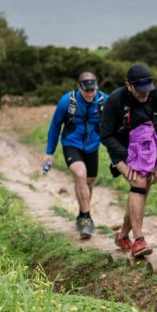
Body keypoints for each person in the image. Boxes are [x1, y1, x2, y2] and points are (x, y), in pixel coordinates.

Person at [100, 64, 157, 258]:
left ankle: (123, 235)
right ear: (128, 85)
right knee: (138, 183)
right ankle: (139, 241)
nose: (144, 95)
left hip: (149, 150)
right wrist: (125, 159)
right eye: (139, 91)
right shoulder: (116, 99)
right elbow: (105, 135)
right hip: (122, 152)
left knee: (142, 189)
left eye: (146, 90)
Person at [43, 71, 108, 239]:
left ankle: (81, 213)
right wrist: (49, 152)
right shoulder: (67, 102)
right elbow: (55, 125)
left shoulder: (104, 101)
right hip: (71, 144)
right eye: (86, 91)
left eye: (93, 90)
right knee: (80, 174)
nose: (90, 94)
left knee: (89, 182)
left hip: (93, 146)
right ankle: (86, 219)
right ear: (79, 87)